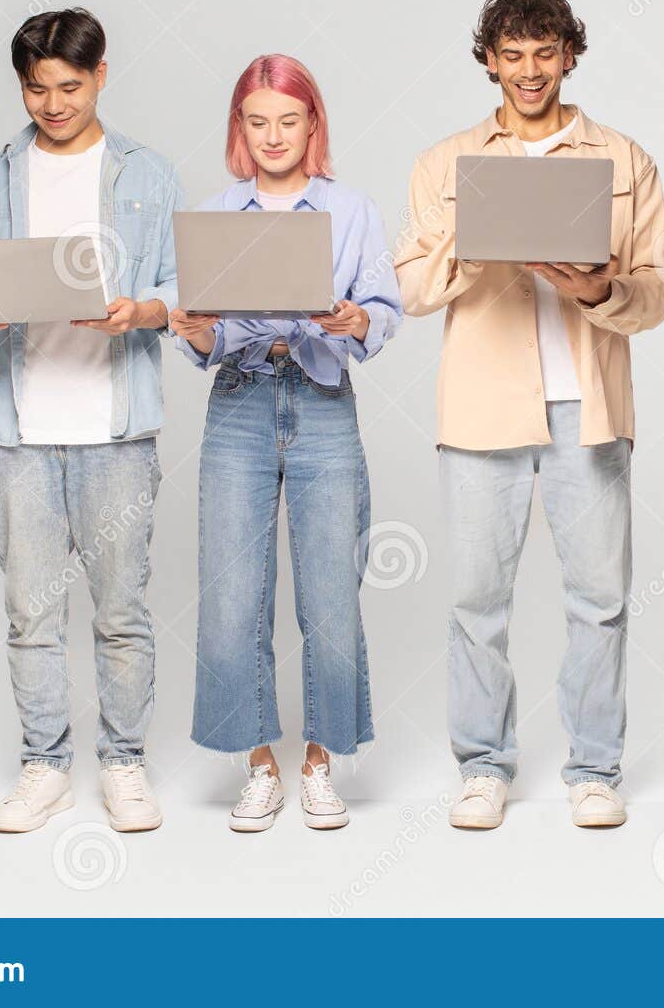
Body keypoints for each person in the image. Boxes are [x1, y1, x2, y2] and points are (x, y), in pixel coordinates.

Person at [395, 0, 664, 830]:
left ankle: (595, 769)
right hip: (483, 408)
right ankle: (483, 766)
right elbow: (411, 287)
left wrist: (599, 287)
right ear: (489, 60)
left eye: (545, 53)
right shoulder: (445, 163)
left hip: (588, 408)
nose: (529, 71)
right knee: (478, 600)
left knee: (599, 598)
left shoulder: (624, 160)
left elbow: (659, 289)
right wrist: (475, 245)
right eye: (512, 55)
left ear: (569, 56)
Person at [0, 8, 180, 834]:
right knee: (31, 612)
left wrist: (142, 309)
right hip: (20, 429)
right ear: (22, 87)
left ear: (101, 74)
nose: (53, 104)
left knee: (121, 609)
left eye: (70, 86)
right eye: (37, 89)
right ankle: (44, 766)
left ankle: (124, 764)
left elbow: (186, 286)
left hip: (116, 427)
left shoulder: (149, 174)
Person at [170, 54, 402, 833]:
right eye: (257, 121)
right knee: (233, 600)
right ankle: (259, 765)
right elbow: (198, 332)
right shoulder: (214, 215)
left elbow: (384, 309)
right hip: (238, 401)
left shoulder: (352, 210)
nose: (273, 136)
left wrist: (355, 321)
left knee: (331, 598)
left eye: (289, 121)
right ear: (241, 128)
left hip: (323, 400)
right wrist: (198, 332)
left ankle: (320, 763)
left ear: (313, 125)